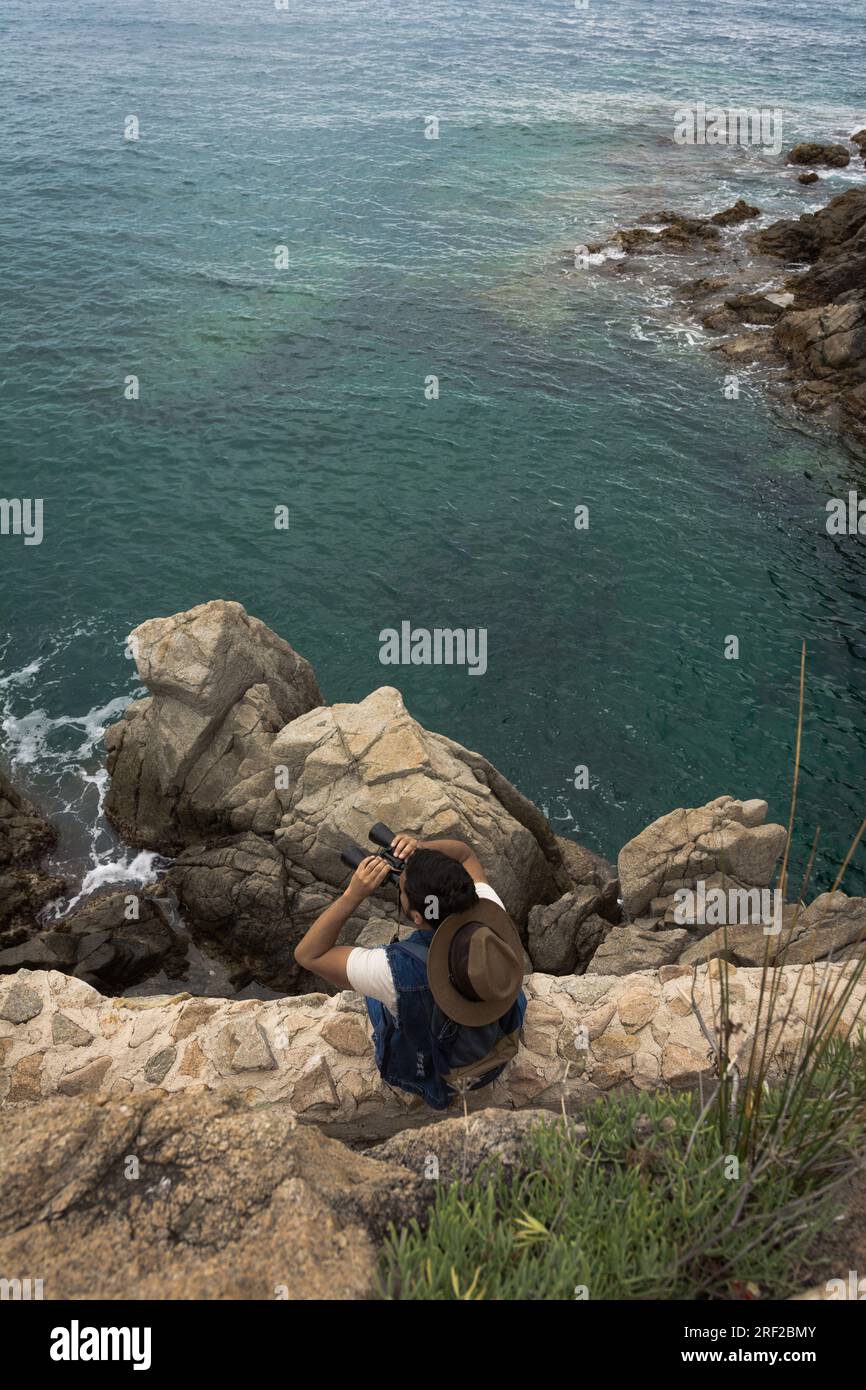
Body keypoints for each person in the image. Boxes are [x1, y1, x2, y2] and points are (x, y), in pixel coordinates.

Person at [294, 834, 527, 1109]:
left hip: (442, 1075)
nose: (400, 892)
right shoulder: (491, 914)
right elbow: (464, 854)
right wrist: (420, 850)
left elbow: (308, 954)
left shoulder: (392, 971)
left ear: (416, 916)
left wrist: (352, 894)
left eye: (402, 891)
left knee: (385, 997)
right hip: (494, 1055)